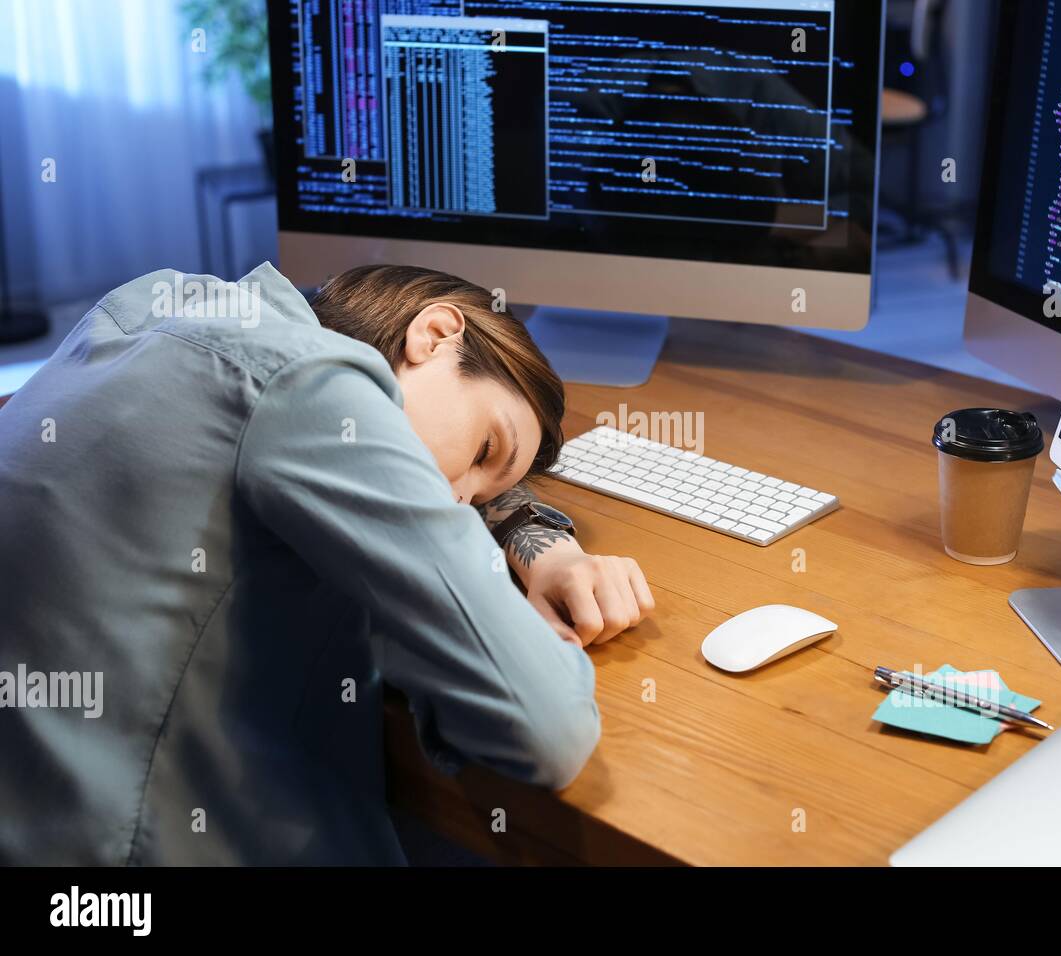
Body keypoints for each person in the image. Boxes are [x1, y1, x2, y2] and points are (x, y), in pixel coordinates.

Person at [0, 261, 654, 865]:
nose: (458, 500)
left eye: (479, 497)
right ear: (436, 333)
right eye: (487, 447)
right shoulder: (314, 386)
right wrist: (539, 636)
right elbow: (545, 728)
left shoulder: (155, 308)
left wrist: (538, 534)